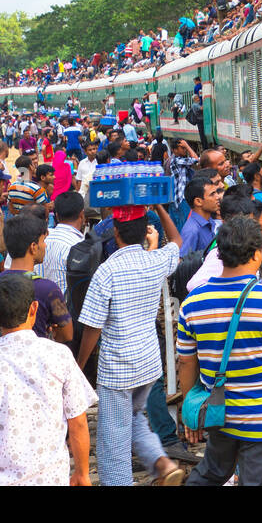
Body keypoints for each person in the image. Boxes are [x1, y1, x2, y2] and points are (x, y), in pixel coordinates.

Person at [176, 217, 262, 486]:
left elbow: (186, 362)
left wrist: (190, 411)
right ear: (257, 254)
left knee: (213, 472)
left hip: (219, 414)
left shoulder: (193, 303)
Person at [76, 203, 188, 485]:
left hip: (118, 368)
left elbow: (92, 326)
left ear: (115, 232)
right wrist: (160, 207)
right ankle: (161, 462)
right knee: (135, 417)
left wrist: (79, 365)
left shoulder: (107, 271)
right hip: (148, 363)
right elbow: (176, 241)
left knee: (112, 442)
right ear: (144, 232)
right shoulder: (155, 260)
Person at [0, 273, 97, 485]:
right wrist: (82, 473)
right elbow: (78, 422)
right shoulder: (59, 355)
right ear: (34, 309)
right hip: (51, 479)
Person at [2, 213, 73, 342]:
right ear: (33, 247)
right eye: (43, 241)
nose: (45, 245)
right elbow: (67, 335)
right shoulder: (48, 289)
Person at [42, 191, 87, 295]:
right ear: (81, 214)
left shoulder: (43, 240)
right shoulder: (80, 245)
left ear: (57, 216)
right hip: (65, 307)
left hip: (40, 306)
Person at [180, 178, 221, 255]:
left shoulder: (209, 221)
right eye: (212, 194)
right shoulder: (192, 231)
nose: (217, 197)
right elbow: (183, 263)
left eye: (216, 193)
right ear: (198, 201)